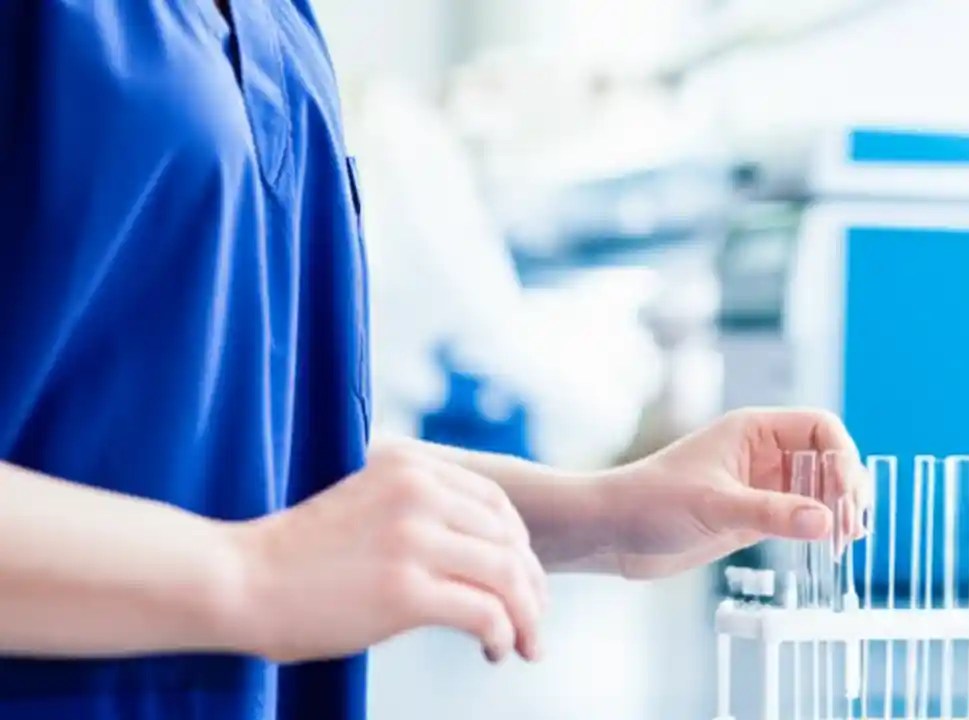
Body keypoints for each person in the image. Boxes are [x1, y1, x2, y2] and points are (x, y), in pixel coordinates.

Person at [0, 2, 871, 720]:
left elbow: (251, 459)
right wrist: (252, 576)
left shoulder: (281, 24)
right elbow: (262, 551)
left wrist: (603, 513)